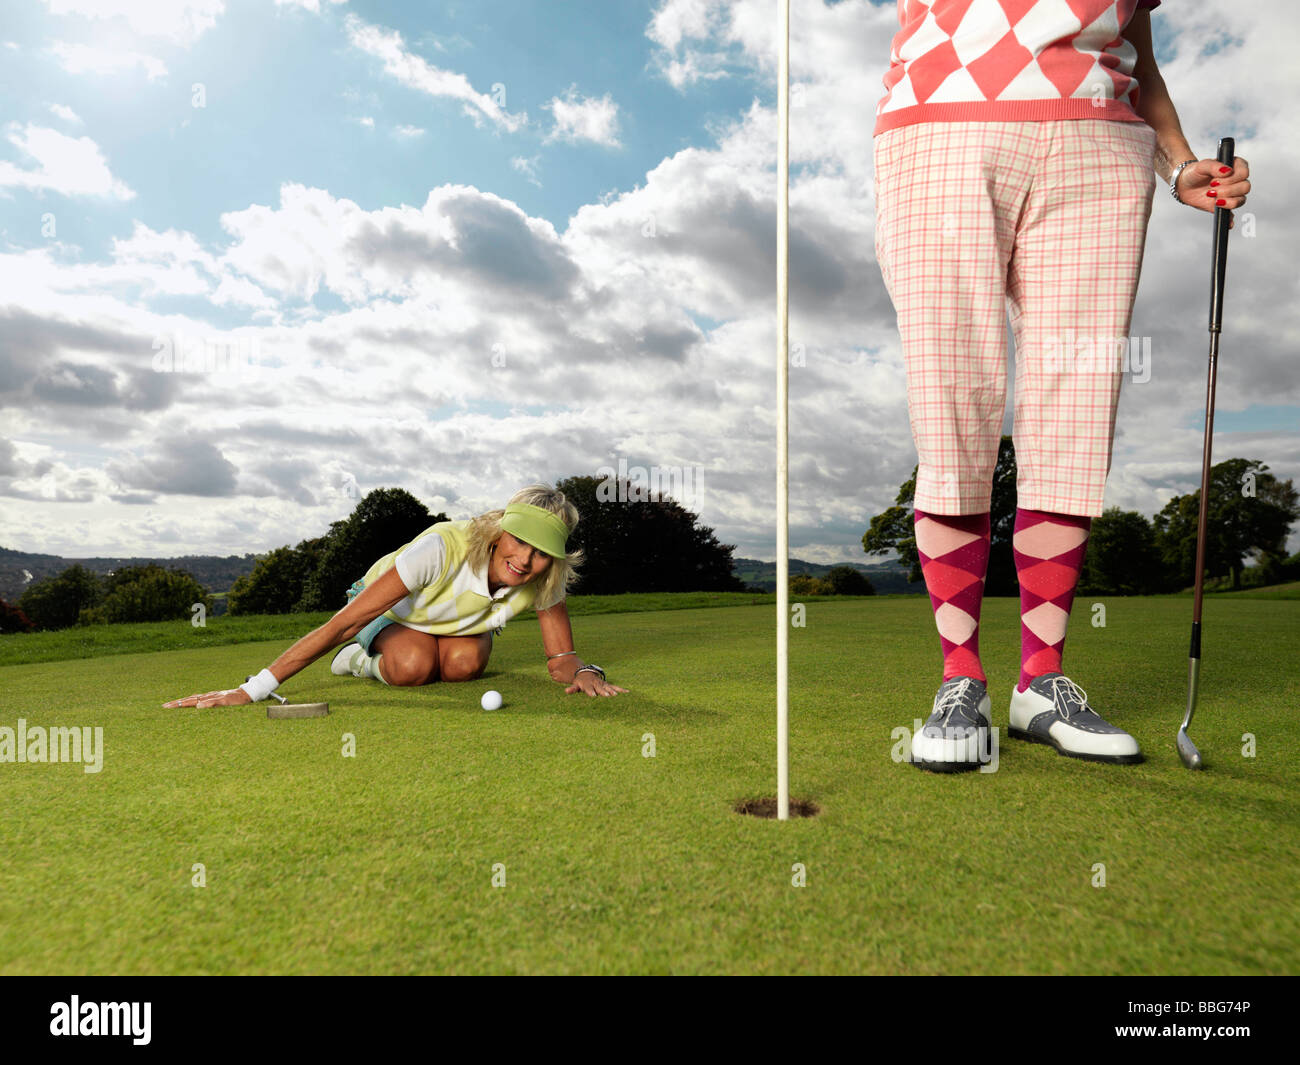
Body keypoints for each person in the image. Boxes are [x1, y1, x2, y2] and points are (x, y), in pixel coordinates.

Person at [870, 1, 1250, 770]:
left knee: (1074, 407)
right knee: (953, 402)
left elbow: (1135, 52)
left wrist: (1177, 162)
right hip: (938, 128)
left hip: (1100, 146)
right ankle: (961, 679)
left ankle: (1039, 682)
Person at [163, 484, 627, 709]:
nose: (525, 561)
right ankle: (358, 662)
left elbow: (560, 659)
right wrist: (252, 688)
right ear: (500, 530)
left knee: (463, 667)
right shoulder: (444, 547)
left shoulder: (545, 580)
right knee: (412, 667)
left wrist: (586, 672)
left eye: (542, 553)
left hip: (451, 624)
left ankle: (429, 649)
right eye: (519, 541)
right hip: (385, 610)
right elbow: (340, 623)